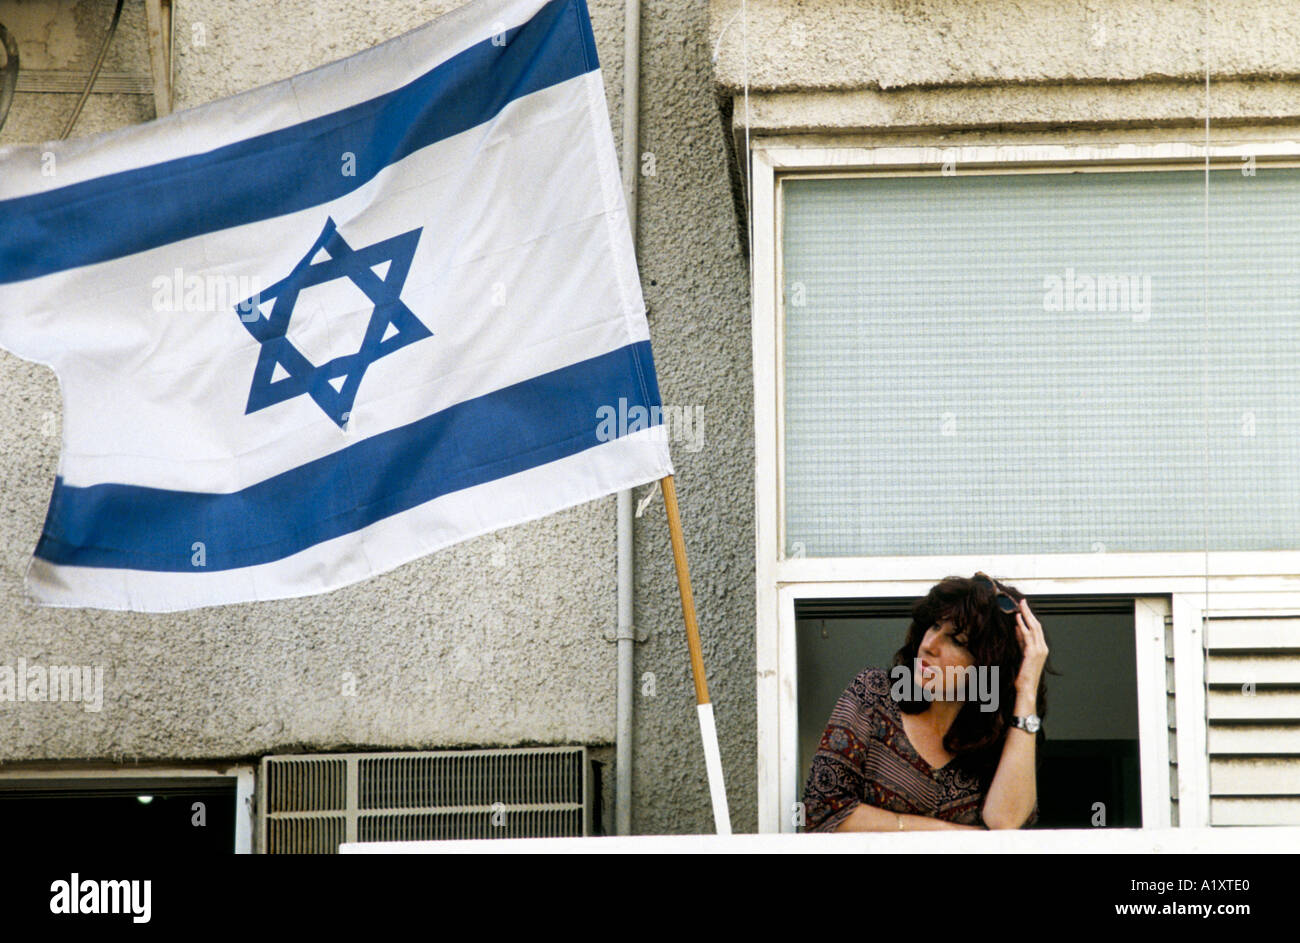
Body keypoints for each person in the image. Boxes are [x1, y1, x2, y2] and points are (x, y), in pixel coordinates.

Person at [800, 572, 1052, 832]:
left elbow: (1005, 824)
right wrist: (952, 833)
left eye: (957, 640)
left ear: (988, 665)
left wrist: (1026, 690)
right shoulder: (874, 695)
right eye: (934, 626)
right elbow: (823, 813)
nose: (929, 645)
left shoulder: (1007, 731)